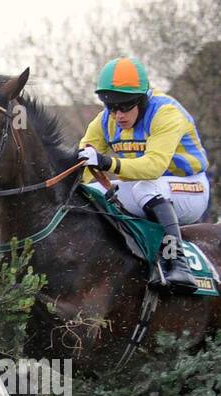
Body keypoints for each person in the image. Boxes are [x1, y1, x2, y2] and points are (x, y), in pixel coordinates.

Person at [76, 56, 210, 291]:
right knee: (91, 193)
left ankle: (179, 265)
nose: (118, 115)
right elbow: (84, 164)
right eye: (111, 107)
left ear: (142, 99)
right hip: (149, 191)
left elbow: (153, 167)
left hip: (190, 188)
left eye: (125, 106)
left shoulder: (165, 113)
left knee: (146, 186)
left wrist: (107, 162)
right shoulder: (104, 120)